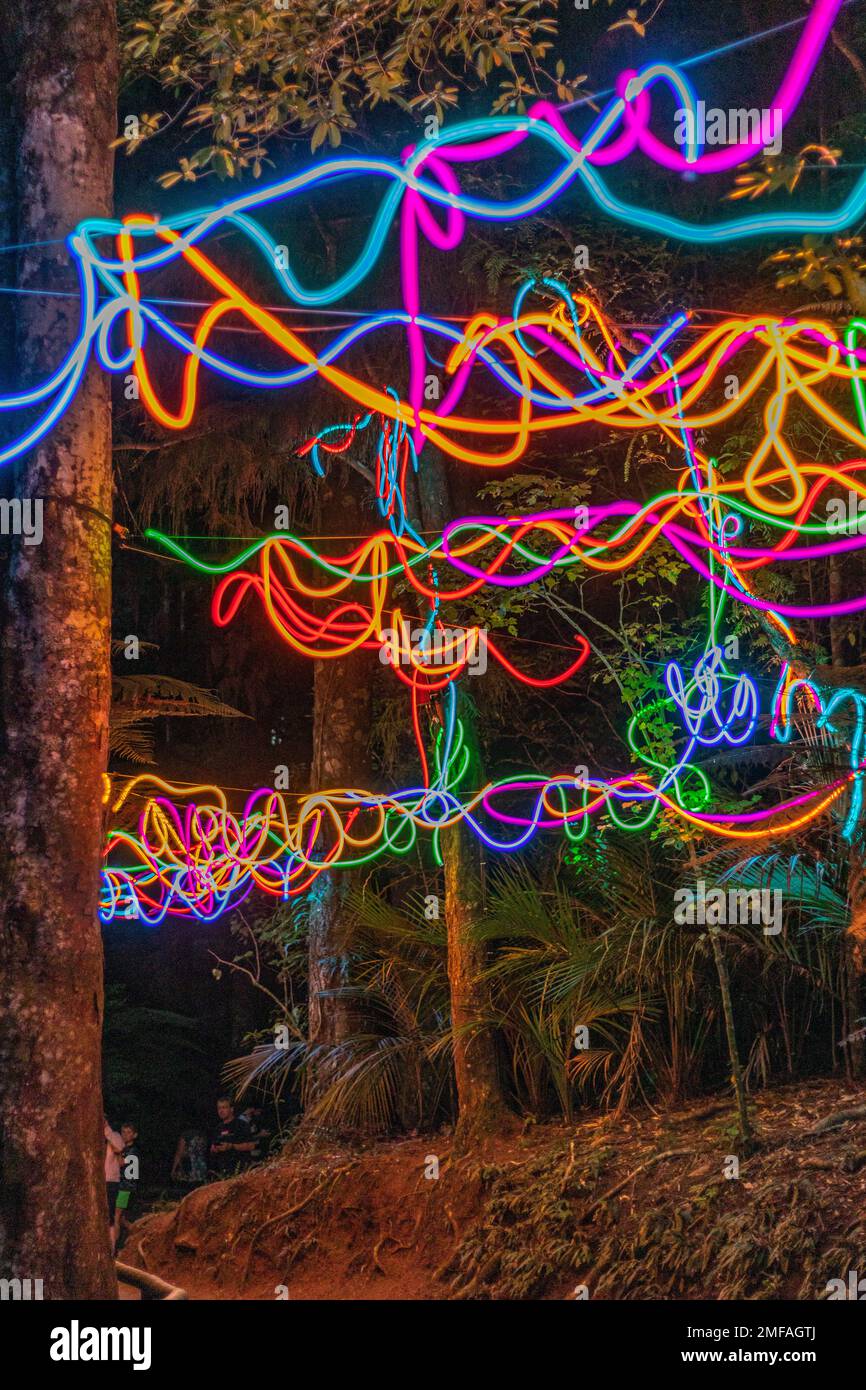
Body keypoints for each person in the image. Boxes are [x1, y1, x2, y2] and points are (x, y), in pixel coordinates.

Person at [208, 1097, 256, 1178]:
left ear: (231, 1109)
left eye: (224, 1107)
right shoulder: (218, 1128)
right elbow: (213, 1147)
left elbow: (251, 1145)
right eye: (219, 1108)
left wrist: (232, 1146)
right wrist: (214, 1149)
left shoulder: (241, 1125)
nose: (221, 1111)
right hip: (223, 1171)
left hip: (240, 1170)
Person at [114, 1121, 140, 1252]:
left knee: (116, 1217)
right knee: (122, 1218)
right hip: (124, 1187)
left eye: (128, 1132)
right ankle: (138, 1232)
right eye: (123, 1132)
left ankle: (114, 1247)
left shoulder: (132, 1151)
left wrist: (116, 1151)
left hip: (126, 1188)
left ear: (135, 1135)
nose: (125, 1135)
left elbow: (121, 1164)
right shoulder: (125, 1149)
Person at [103, 1117, 124, 1255]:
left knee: (112, 1216)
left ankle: (112, 1249)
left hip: (112, 1182)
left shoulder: (114, 1136)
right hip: (99, 1181)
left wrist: (107, 1131)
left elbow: (119, 1148)